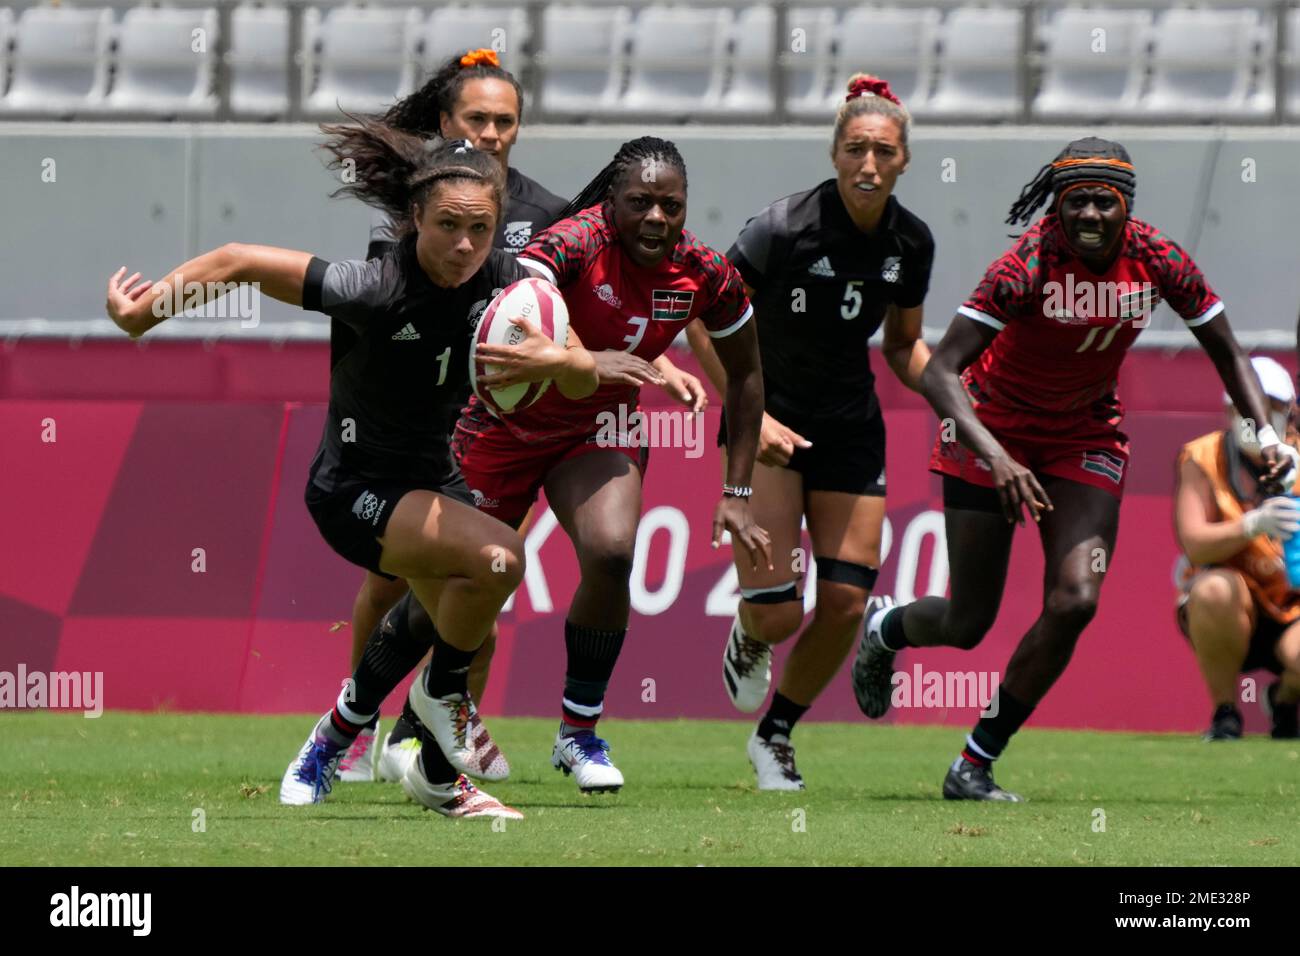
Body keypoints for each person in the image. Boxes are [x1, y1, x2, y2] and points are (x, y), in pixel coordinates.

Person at [106, 126, 599, 818]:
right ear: (415, 220)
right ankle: (434, 701)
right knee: (501, 556)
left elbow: (581, 371)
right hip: (353, 490)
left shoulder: (509, 286)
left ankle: (372, 750)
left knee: (467, 610)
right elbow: (240, 260)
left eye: (480, 229)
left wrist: (559, 362)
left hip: (432, 482)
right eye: (448, 226)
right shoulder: (373, 287)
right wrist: (144, 312)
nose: (464, 244)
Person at [850, 136, 1299, 801]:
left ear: (1127, 206)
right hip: (988, 431)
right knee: (968, 624)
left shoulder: (1159, 260)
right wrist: (997, 457)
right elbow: (943, 372)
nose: (1088, 215)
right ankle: (886, 628)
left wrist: (1266, 433)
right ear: (1056, 204)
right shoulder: (1025, 265)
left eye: (1103, 202)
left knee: (1075, 599)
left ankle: (975, 762)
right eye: (1075, 201)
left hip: (1083, 435)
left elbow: (1228, 353)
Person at [451, 136, 772, 792]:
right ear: (613, 203)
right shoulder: (575, 241)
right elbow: (520, 296)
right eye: (640, 203)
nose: (656, 217)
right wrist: (580, 358)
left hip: (598, 426)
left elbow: (746, 377)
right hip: (510, 420)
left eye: (671, 206)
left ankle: (579, 733)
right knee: (467, 576)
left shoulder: (704, 273)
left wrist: (736, 490)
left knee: (612, 551)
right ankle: (359, 722)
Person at [685, 75, 932, 789]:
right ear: (834, 152)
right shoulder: (783, 227)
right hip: (770, 423)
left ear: (904, 161)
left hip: (851, 428)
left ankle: (776, 735)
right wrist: (748, 413)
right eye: (855, 148)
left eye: (883, 151)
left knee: (850, 602)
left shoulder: (911, 242)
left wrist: (956, 393)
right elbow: (703, 316)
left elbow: (903, 345)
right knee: (779, 616)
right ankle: (748, 632)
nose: (868, 164)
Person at [331, 49, 569, 784]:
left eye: (506, 121)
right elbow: (393, 303)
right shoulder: (414, 210)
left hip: (495, 430)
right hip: (406, 428)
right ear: (445, 122)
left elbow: (560, 317)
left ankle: (434, 737)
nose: (492, 133)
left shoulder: (547, 214)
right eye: (477, 119)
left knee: (484, 586)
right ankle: (362, 730)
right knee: (391, 585)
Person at [1174, 355, 1300, 740]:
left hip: (1293, 604)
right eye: (1245, 405)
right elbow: (1195, 545)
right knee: (1213, 588)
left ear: (1288, 410)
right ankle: (1225, 714)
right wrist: (1251, 525)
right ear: (1230, 407)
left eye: (1269, 405)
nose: (1256, 415)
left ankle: (1285, 700)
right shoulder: (1202, 456)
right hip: (1230, 605)